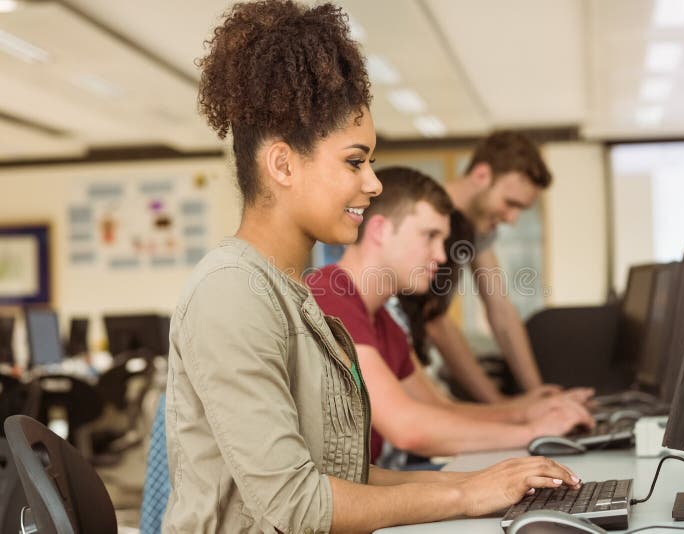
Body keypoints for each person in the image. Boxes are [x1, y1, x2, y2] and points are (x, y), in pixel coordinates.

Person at [164, 2, 582, 533]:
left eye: (372, 163)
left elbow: (341, 475)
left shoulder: (294, 295)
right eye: (354, 161)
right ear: (283, 164)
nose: (373, 184)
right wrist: (464, 493)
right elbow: (298, 504)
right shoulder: (232, 292)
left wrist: (489, 482)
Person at [307, 166, 594, 464]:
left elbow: (437, 409)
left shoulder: (383, 320)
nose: (441, 256)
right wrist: (534, 432)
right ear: (380, 230)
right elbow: (408, 428)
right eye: (429, 236)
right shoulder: (330, 298)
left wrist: (523, 412)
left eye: (442, 240)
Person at [400, 131, 560, 403]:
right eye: (510, 203)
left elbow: (501, 309)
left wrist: (537, 396)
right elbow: (434, 320)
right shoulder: (429, 220)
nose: (512, 219)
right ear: (482, 175)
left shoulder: (472, 228)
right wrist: (500, 406)